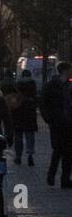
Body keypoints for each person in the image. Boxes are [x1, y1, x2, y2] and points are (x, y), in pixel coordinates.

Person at [39, 60, 72, 188]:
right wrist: (49, 119)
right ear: (64, 71)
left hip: (69, 122)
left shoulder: (69, 85)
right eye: (69, 70)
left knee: (68, 152)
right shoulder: (52, 85)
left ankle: (65, 179)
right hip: (57, 122)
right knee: (58, 150)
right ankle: (52, 175)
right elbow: (43, 102)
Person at [12, 69, 39, 166]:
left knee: (18, 136)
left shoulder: (17, 85)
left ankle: (18, 156)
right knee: (30, 135)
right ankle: (30, 154)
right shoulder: (33, 85)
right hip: (29, 114)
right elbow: (36, 99)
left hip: (18, 113)